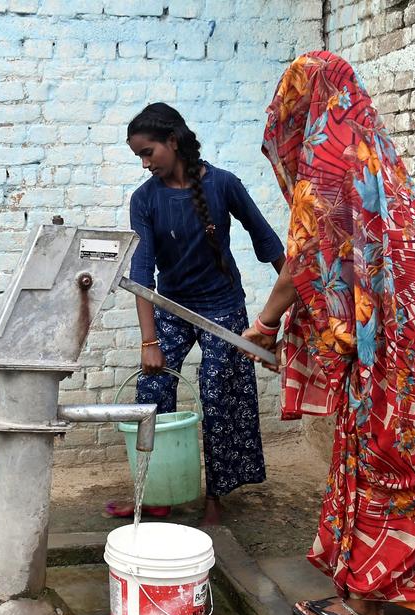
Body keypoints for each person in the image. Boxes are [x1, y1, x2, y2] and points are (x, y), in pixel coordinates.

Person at [242, 52, 415, 615]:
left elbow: (303, 259)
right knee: (404, 463)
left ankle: (365, 608)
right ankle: (371, 588)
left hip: (398, 344)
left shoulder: (326, 163)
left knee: (382, 460)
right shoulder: (377, 155)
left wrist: (267, 324)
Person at [107, 102, 286, 527]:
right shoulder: (144, 200)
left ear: (173, 141)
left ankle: (216, 497)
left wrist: (302, 304)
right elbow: (140, 274)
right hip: (171, 308)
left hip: (223, 306)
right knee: (151, 392)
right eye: (139, 157)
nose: (145, 163)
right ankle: (155, 492)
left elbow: (269, 243)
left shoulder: (224, 184)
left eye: (149, 152)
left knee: (220, 396)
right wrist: (149, 343)